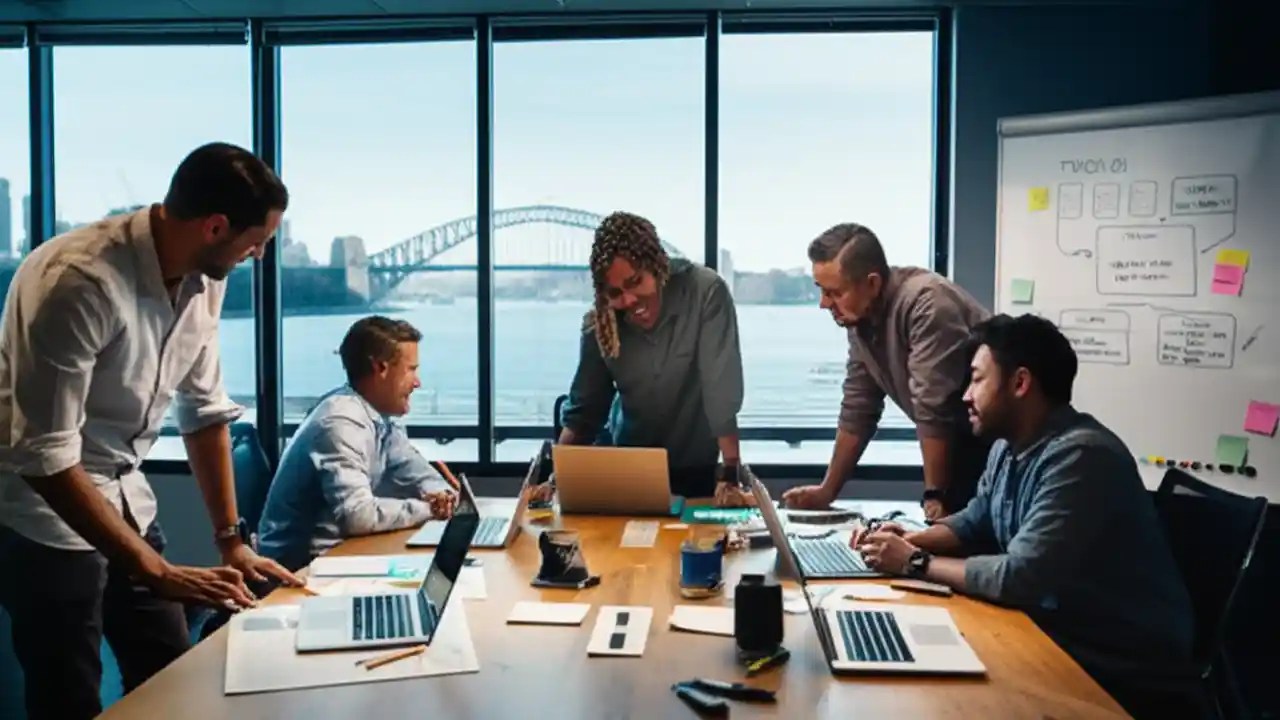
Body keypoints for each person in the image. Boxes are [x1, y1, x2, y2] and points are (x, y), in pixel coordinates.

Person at [0, 142, 300, 720]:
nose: (259, 254)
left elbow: (205, 410)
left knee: (172, 676)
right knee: (69, 696)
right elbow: (45, 454)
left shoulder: (207, 277)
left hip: (126, 497)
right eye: (256, 241)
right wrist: (152, 568)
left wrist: (230, 541)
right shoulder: (78, 282)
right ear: (215, 226)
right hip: (45, 518)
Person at [854, 314, 1196, 719]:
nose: (965, 395)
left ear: (1020, 383)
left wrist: (913, 562)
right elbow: (978, 519)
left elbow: (1021, 577)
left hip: (1117, 663)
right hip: (1055, 633)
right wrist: (911, 539)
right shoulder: (1009, 448)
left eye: (977, 379)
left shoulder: (1081, 457)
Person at [783, 223, 991, 519]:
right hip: (958, 455)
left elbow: (933, 408)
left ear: (872, 283)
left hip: (999, 456)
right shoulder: (858, 319)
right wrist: (827, 491)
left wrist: (935, 497)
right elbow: (858, 407)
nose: (824, 303)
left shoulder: (927, 303)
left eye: (834, 293)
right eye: (821, 291)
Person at [550, 211, 748, 504]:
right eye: (616, 292)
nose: (629, 300)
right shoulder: (601, 322)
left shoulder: (706, 293)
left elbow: (720, 396)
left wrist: (731, 472)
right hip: (628, 471)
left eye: (635, 282)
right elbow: (585, 412)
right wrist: (553, 480)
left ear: (657, 266)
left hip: (697, 471)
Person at [257, 316, 458, 574]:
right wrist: (429, 509)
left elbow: (418, 473)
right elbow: (358, 516)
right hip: (297, 573)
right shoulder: (340, 422)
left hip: (340, 558)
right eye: (411, 369)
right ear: (380, 368)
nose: (417, 382)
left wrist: (443, 496)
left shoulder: (380, 417)